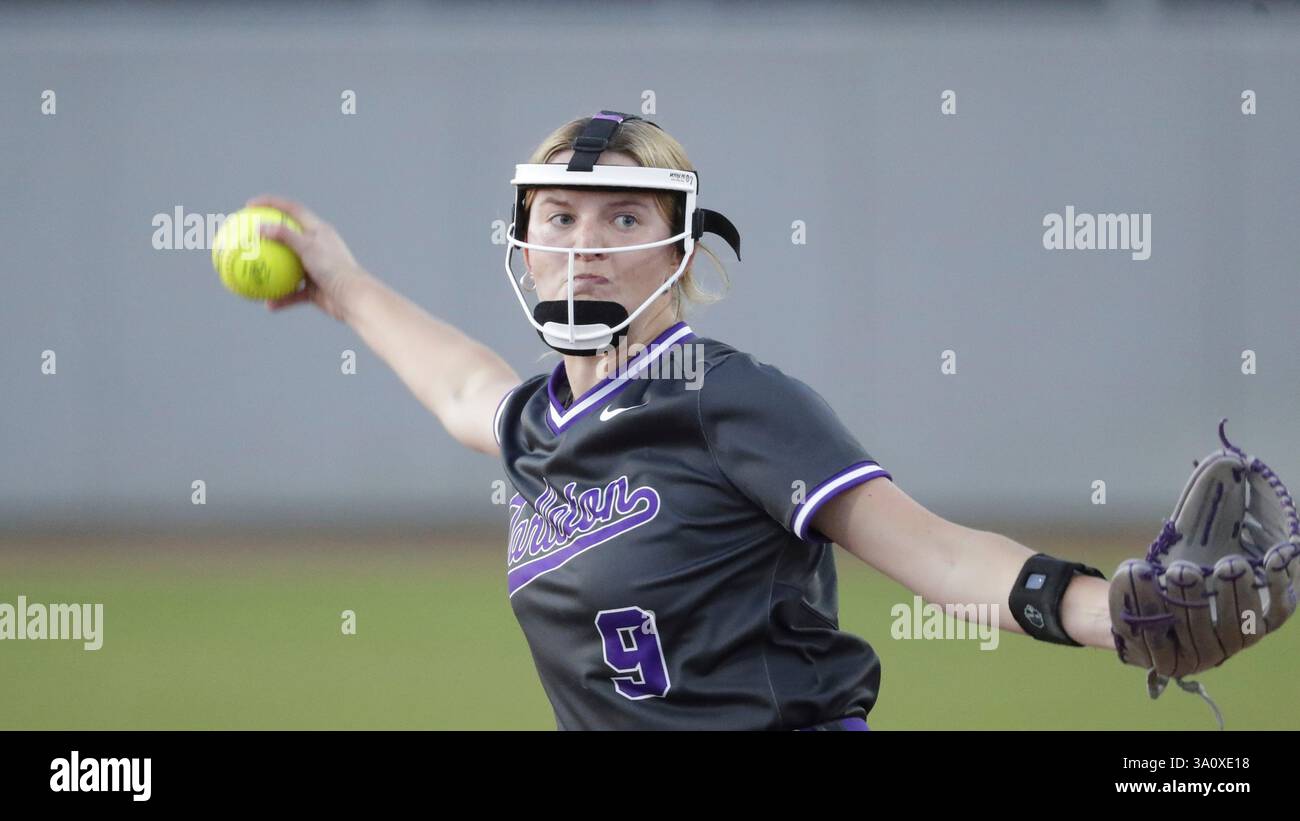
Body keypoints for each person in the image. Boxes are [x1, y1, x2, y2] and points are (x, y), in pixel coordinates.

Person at [249, 110, 1118, 731]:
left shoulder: (724, 396)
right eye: (559, 216)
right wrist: (342, 286)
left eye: (624, 216)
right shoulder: (542, 425)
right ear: (526, 246)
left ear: (680, 253)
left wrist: (1113, 611)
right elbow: (462, 391)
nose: (585, 243)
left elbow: (938, 553)